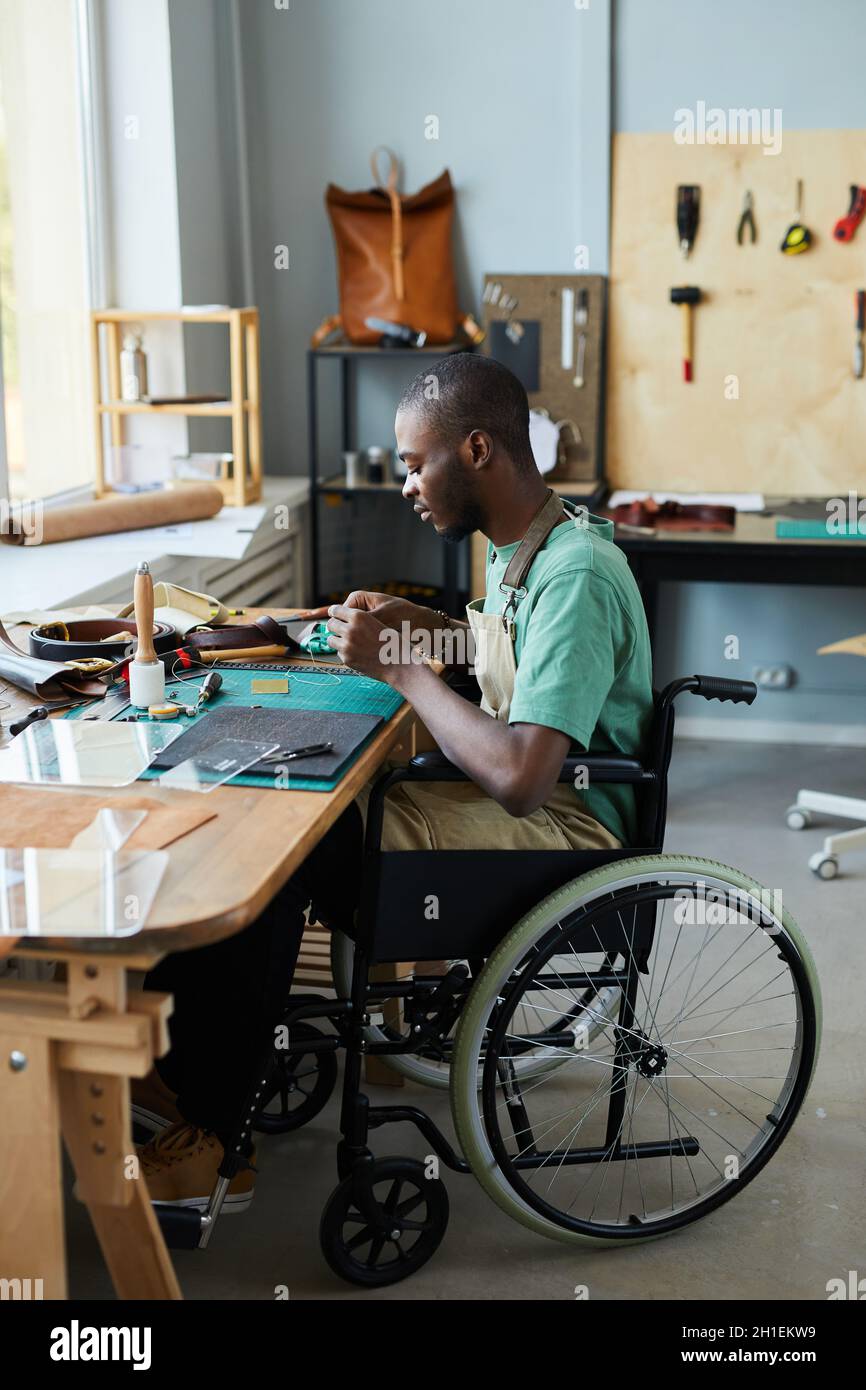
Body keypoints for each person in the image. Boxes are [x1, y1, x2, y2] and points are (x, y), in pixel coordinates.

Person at [134, 353, 654, 1209]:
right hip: (533, 808)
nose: (408, 482)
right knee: (279, 812)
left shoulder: (577, 576)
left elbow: (524, 776)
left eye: (416, 463)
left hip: (566, 833)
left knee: (283, 847)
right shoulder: (535, 547)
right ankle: (186, 1072)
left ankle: (212, 1137)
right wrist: (432, 632)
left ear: (477, 450)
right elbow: (516, 665)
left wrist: (403, 670)